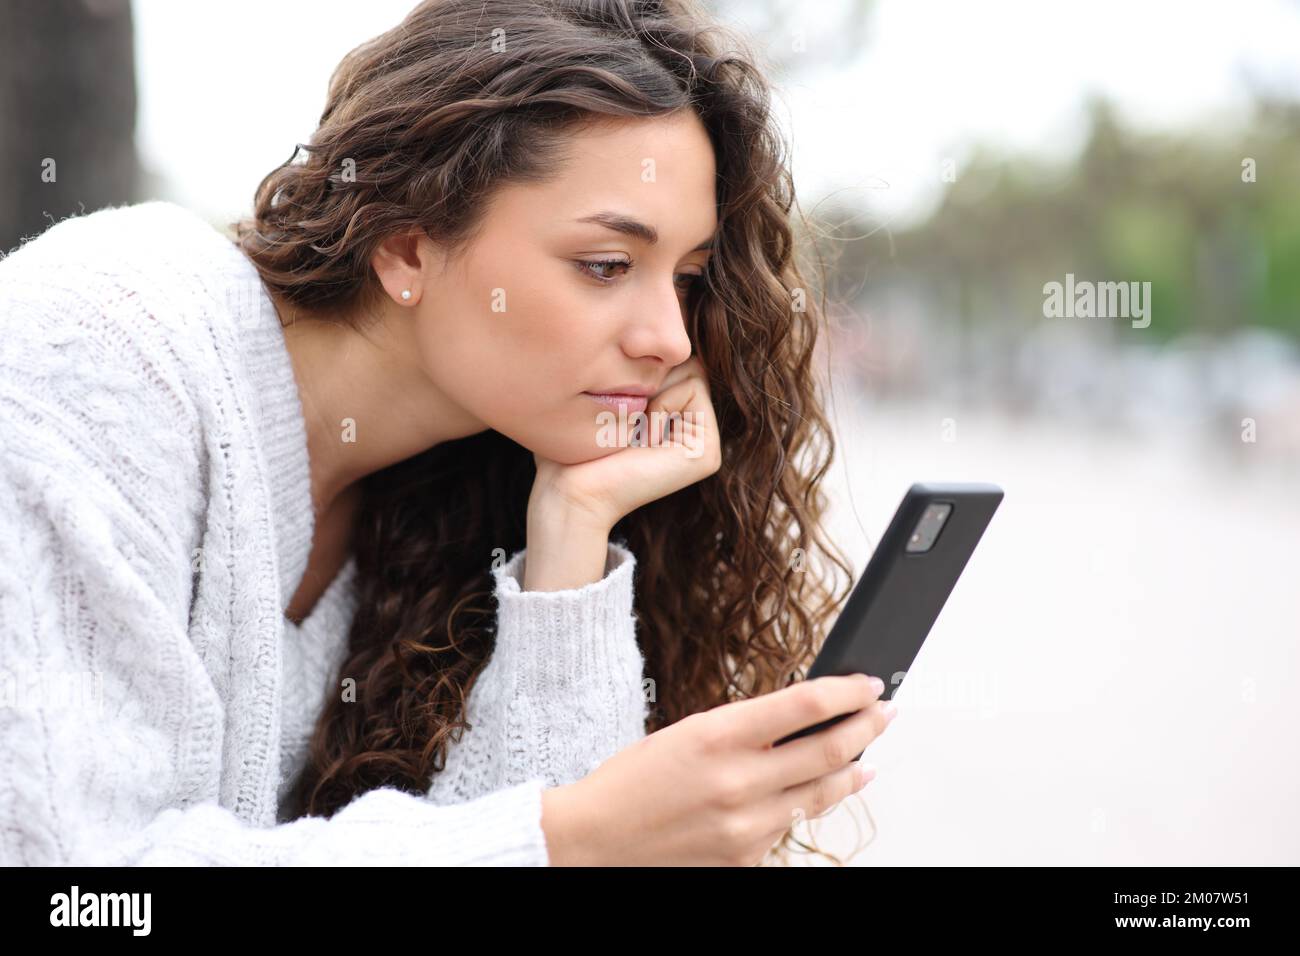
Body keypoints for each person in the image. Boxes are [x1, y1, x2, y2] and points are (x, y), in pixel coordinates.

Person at [0, 0, 895, 867]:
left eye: (689, 277)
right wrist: (569, 841)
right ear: (405, 246)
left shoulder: (459, 482)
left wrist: (571, 541)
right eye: (606, 265)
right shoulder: (98, 346)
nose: (668, 338)